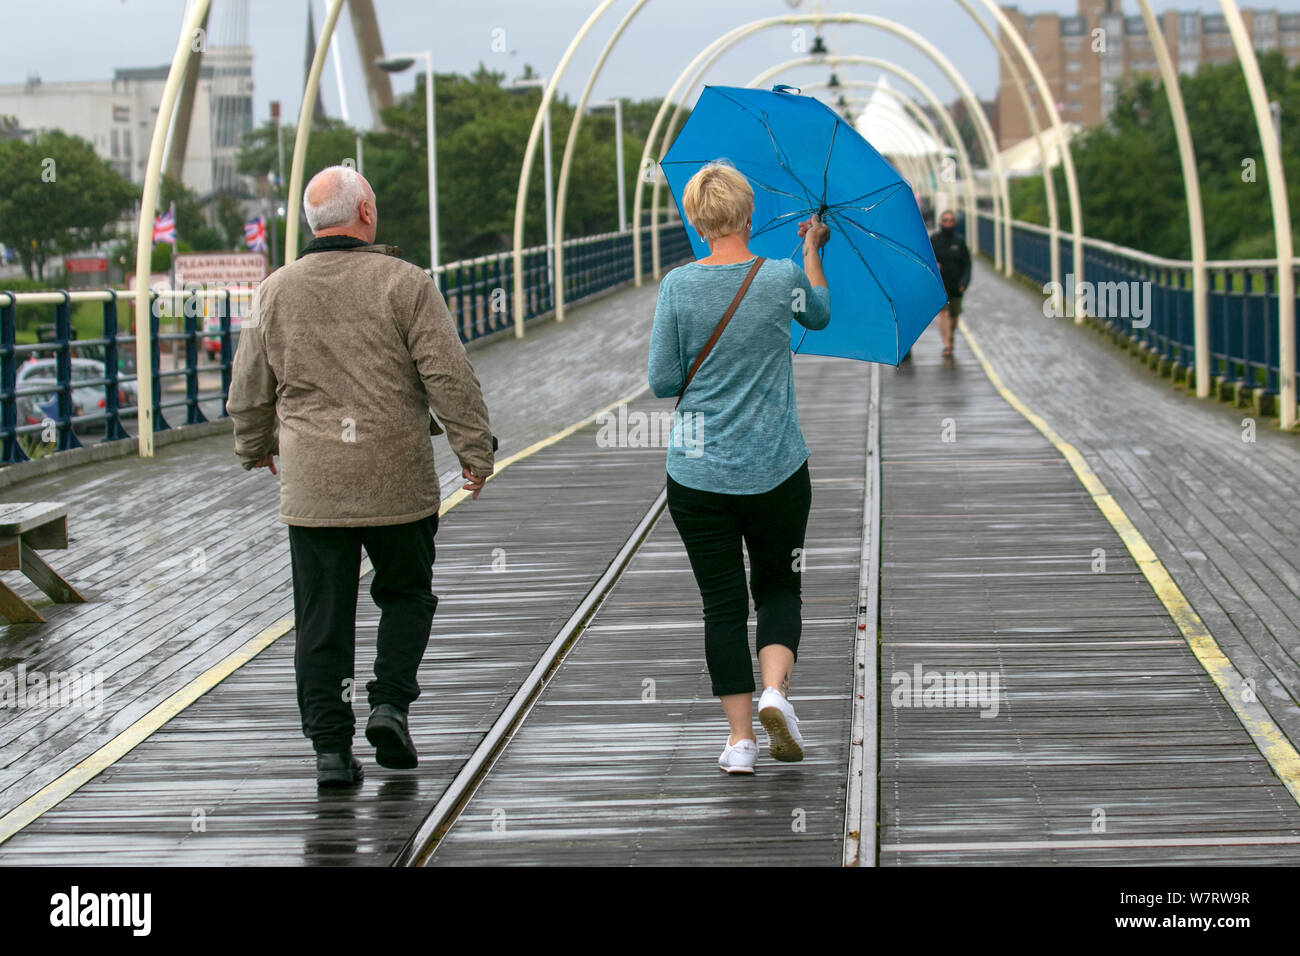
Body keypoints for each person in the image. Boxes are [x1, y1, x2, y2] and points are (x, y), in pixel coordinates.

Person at [228, 165, 495, 788]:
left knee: (322, 616)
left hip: (313, 486)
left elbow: (247, 390)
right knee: (406, 595)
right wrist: (473, 451)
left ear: (311, 224)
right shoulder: (408, 285)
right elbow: (448, 378)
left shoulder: (274, 291)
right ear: (367, 213)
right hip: (396, 478)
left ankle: (329, 749)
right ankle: (389, 704)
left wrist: (255, 445)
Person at [648, 161, 831, 775]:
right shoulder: (781, 278)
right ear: (749, 216)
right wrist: (810, 249)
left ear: (698, 221)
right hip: (778, 468)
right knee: (779, 585)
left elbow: (662, 380)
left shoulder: (677, 286)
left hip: (699, 477)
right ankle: (778, 690)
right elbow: (820, 313)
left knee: (721, 605)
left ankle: (741, 741)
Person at [930, 209, 971, 358]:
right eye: (945, 220)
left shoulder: (959, 242)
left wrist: (964, 282)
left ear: (954, 223)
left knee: (954, 316)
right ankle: (947, 344)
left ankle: (950, 336)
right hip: (940, 285)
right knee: (944, 314)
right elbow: (927, 261)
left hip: (956, 285)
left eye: (951, 221)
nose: (948, 223)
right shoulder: (934, 240)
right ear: (941, 222)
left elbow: (967, 264)